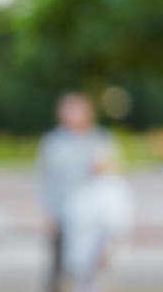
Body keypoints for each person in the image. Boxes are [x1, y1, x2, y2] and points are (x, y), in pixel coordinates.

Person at [36, 92, 115, 292]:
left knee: (93, 266)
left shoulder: (100, 138)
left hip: (92, 213)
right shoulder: (53, 141)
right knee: (60, 266)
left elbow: (110, 175)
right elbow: (44, 178)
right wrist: (47, 211)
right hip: (62, 209)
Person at [61, 143, 134, 292]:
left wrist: (107, 251)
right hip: (80, 254)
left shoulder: (113, 188)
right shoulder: (88, 185)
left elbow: (116, 224)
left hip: (98, 254)